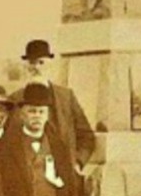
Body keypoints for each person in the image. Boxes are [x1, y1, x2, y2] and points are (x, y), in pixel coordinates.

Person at [11, 39, 97, 167]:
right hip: (28, 172)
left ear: (50, 65)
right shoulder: (14, 99)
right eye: (32, 62)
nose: (36, 67)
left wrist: (78, 163)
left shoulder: (66, 97)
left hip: (64, 170)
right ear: (26, 66)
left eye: (41, 62)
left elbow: (87, 137)